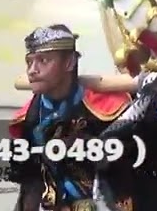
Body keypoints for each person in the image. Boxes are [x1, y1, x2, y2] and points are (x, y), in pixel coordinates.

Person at [8, 24, 138, 211]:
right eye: (29, 62)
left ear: (69, 63)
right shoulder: (27, 118)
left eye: (43, 60)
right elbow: (31, 183)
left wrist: (87, 145)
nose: (32, 70)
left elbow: (128, 174)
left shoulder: (109, 110)